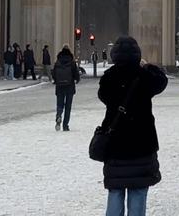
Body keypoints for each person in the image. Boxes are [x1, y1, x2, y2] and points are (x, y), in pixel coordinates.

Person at [97, 35, 167, 216]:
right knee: (138, 192)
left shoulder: (108, 78)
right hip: (141, 143)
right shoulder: (144, 76)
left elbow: (103, 96)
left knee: (115, 192)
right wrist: (146, 66)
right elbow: (161, 81)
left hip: (115, 143)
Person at [51, 44, 80, 131]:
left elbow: (54, 73)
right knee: (68, 106)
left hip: (59, 86)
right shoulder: (72, 62)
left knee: (59, 104)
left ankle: (59, 115)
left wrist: (56, 80)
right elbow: (76, 73)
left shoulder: (58, 62)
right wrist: (77, 79)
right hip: (69, 86)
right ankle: (65, 125)